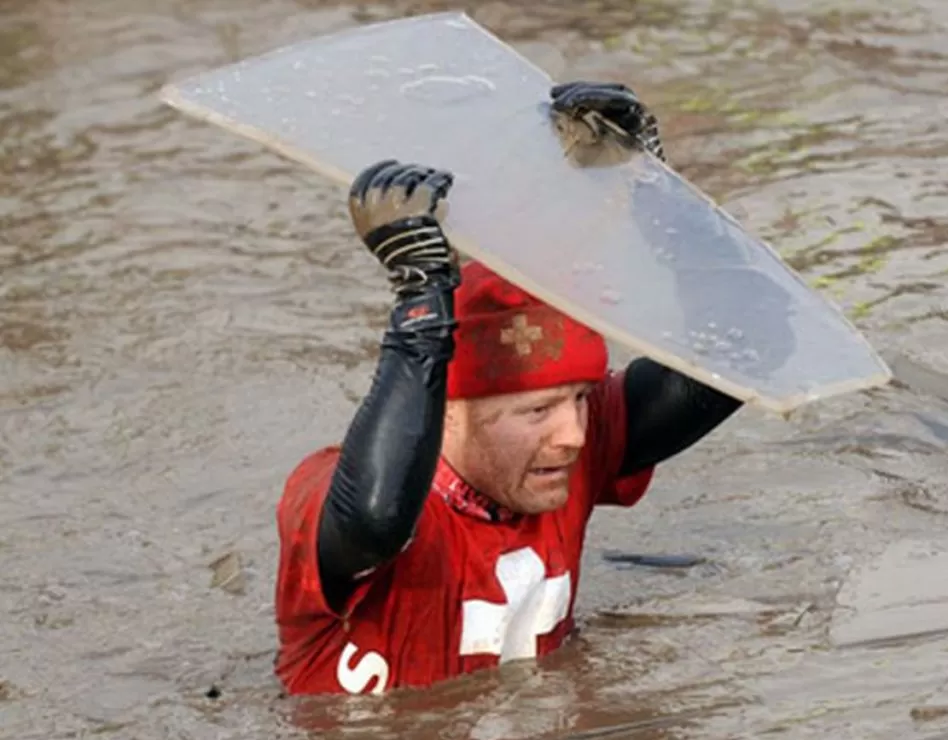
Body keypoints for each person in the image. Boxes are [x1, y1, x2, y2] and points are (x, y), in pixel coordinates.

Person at [273, 81, 743, 696]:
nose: (573, 434)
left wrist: (658, 200)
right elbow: (376, 518)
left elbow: (740, 348)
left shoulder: (575, 450)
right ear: (448, 411)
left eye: (580, 396)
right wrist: (420, 305)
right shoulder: (327, 490)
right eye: (538, 408)